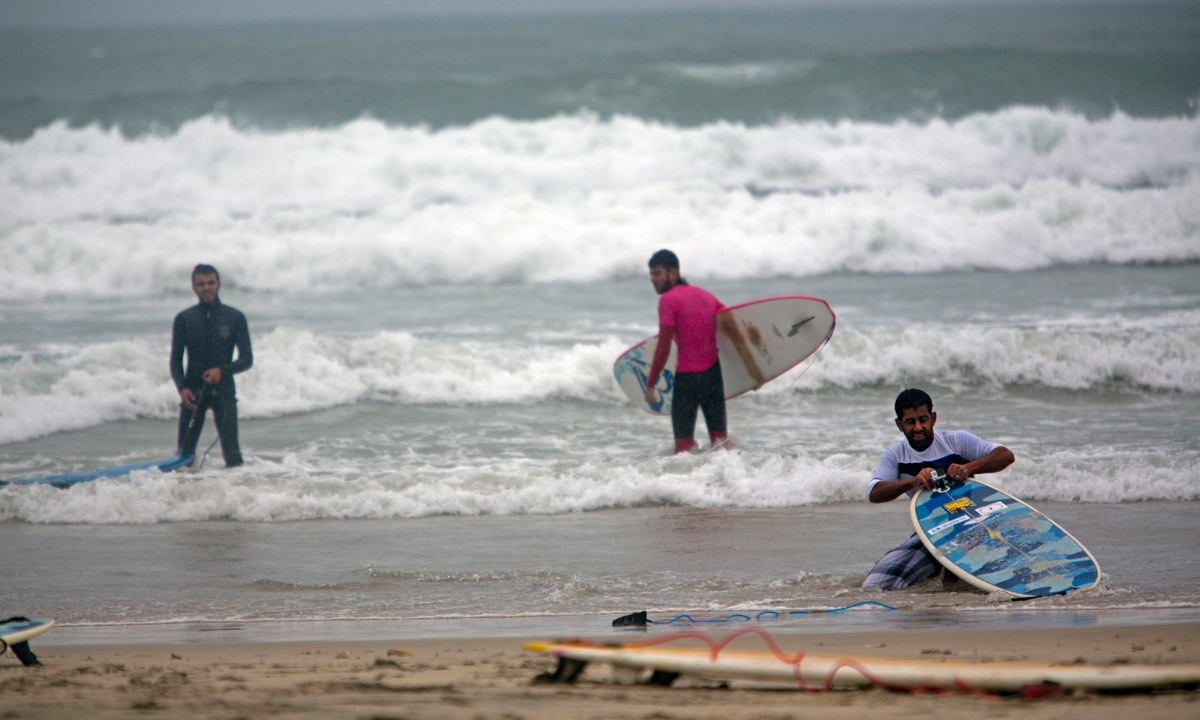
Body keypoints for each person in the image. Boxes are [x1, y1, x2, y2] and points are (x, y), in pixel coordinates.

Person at [863, 388, 1015, 590]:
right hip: (935, 533)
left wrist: (967, 467)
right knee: (876, 586)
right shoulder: (895, 455)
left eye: (923, 419)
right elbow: (874, 493)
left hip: (977, 523)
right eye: (910, 422)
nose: (918, 427)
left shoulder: (956, 441)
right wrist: (913, 482)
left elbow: (1005, 455)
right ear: (899, 425)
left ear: (933, 418)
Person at [642, 249, 752, 453]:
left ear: (672, 273)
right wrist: (753, 375)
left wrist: (651, 384)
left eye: (657, 273)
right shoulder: (706, 295)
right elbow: (733, 333)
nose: (652, 279)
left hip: (688, 380)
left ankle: (688, 484)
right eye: (651, 273)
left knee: (683, 450)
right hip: (713, 377)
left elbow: (663, 346)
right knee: (722, 445)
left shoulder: (667, 301)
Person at [170, 264, 253, 468]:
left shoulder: (234, 318)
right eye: (201, 284)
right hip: (193, 394)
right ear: (193, 287)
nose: (206, 288)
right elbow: (175, 361)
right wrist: (182, 388)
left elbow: (247, 359)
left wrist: (222, 371)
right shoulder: (184, 319)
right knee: (184, 457)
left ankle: (237, 495)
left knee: (233, 457)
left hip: (223, 392)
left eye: (210, 283)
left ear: (219, 284)